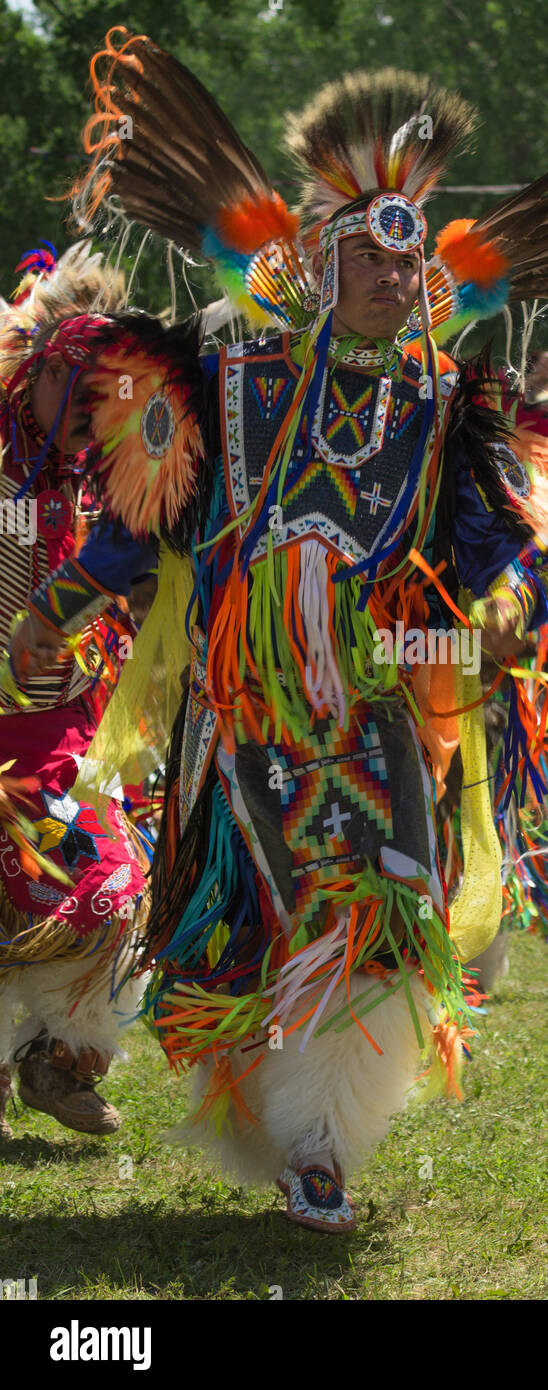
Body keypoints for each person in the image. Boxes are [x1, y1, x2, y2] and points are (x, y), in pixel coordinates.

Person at [14, 30, 548, 1228]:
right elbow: (142, 530)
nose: (396, 277)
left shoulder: (444, 412)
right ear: (320, 264)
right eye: (371, 258)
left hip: (371, 702)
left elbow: (482, 560)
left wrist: (529, 563)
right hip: (244, 712)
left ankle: (321, 1142)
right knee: (254, 928)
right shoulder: (228, 389)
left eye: (410, 261)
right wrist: (56, 614)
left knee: (381, 903)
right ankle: (259, 1108)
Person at [0, 244, 149, 1141]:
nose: (95, 419)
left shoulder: (93, 467)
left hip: (67, 730)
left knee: (107, 884)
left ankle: (55, 1060)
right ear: (47, 368)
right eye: (82, 396)